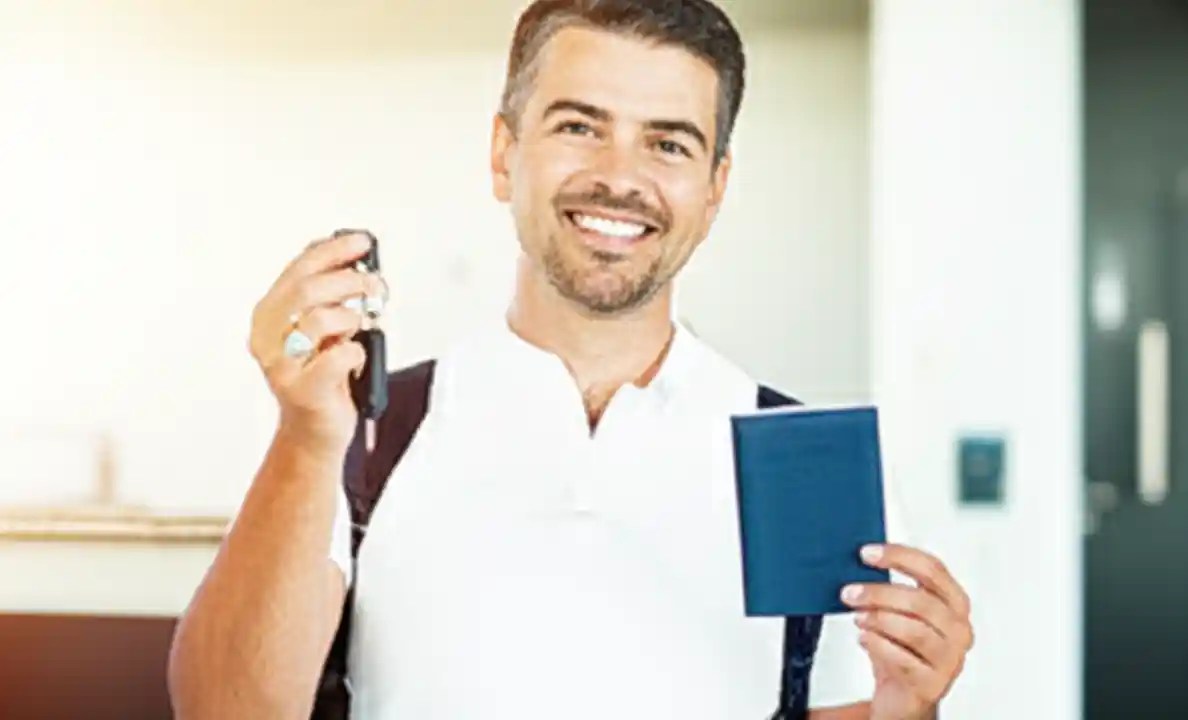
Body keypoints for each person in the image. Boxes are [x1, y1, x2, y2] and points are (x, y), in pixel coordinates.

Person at [167, 1, 974, 718]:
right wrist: (307, 435)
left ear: (714, 188)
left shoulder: (803, 462)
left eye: (668, 143)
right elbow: (221, 710)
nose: (620, 178)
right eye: (580, 126)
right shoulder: (362, 433)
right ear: (502, 154)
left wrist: (908, 706)